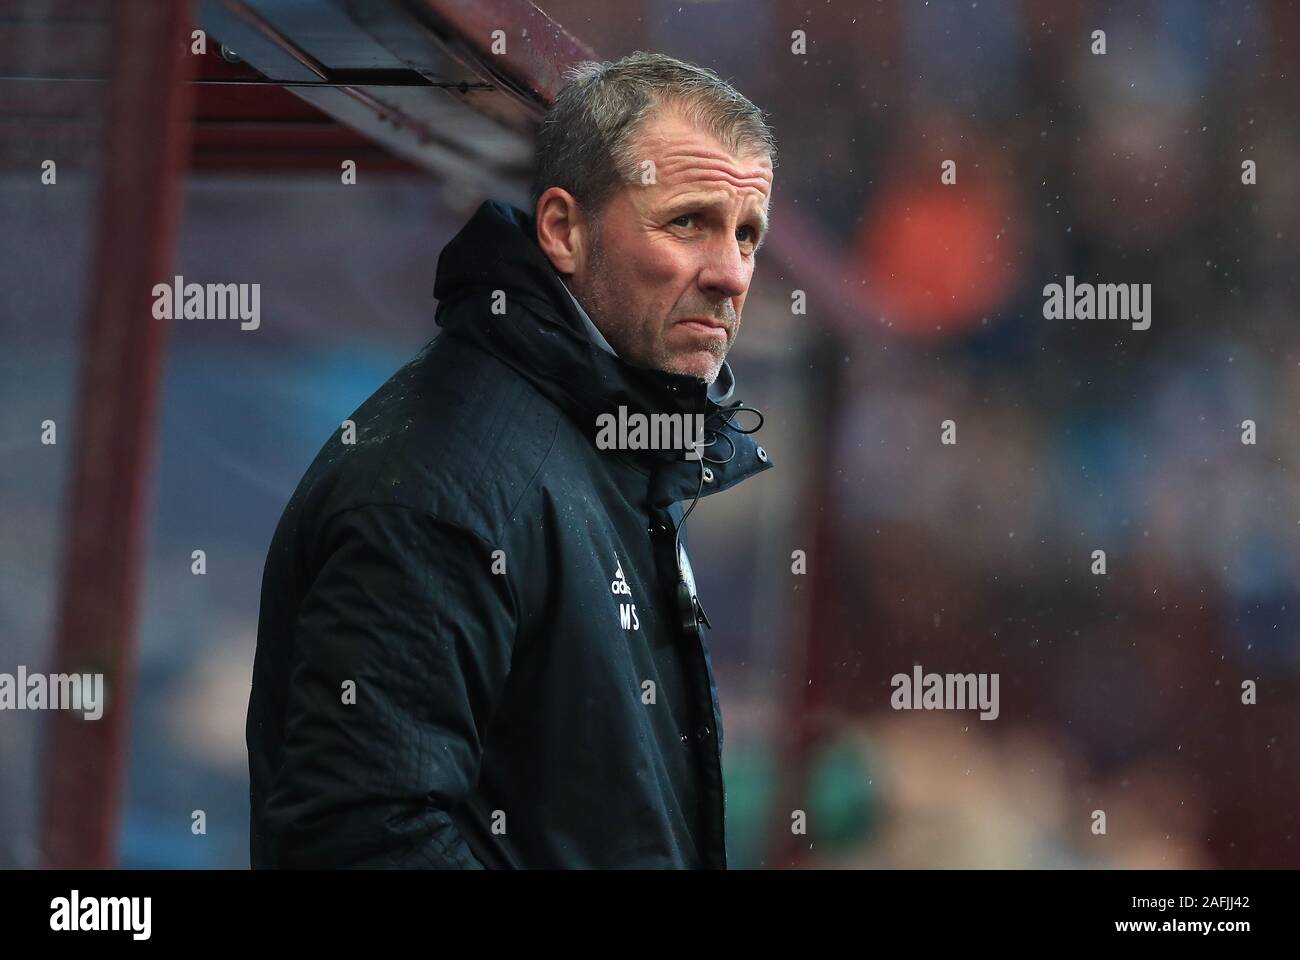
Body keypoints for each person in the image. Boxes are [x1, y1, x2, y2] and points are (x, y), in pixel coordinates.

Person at [246, 51, 777, 868]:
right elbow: (360, 840)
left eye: (746, 235)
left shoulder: (613, 449)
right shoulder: (441, 481)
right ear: (564, 230)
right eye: (688, 222)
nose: (730, 274)